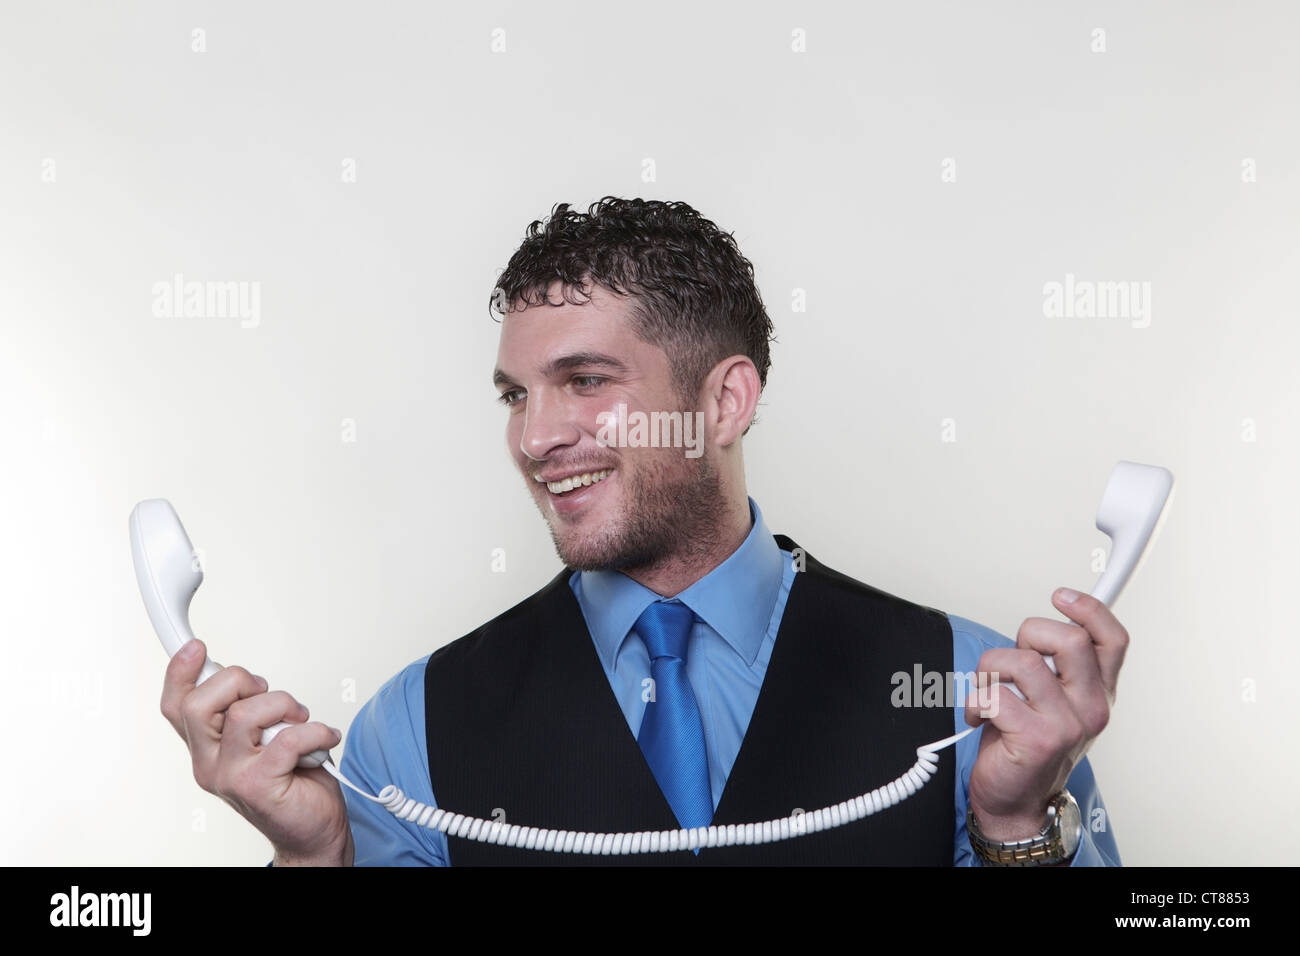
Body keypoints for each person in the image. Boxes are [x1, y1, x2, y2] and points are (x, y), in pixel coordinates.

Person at [160, 197, 1125, 866]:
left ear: (724, 401)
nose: (535, 438)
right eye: (515, 395)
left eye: (586, 382)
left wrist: (1013, 825)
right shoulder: (412, 730)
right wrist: (312, 856)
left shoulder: (971, 686)